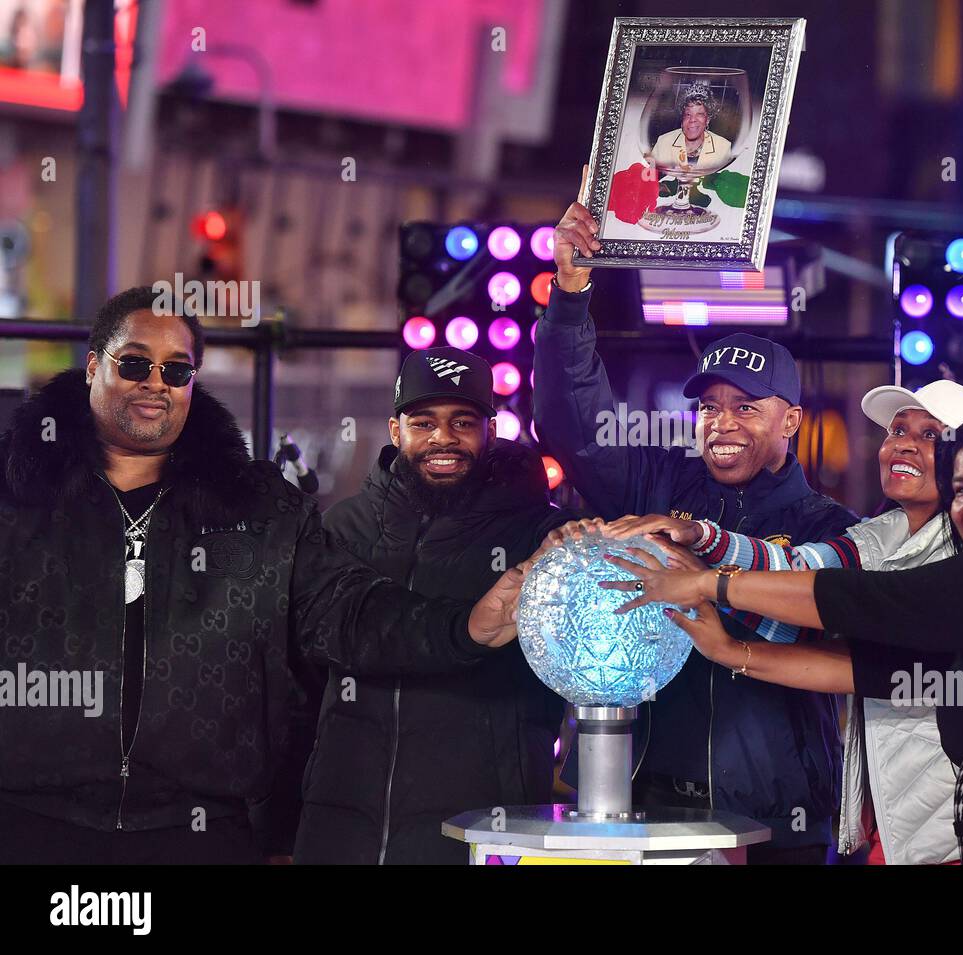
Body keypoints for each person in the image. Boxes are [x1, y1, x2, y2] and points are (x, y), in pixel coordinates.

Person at [0, 287, 525, 865]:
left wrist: (467, 627)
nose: (156, 383)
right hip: (32, 825)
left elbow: (351, 613)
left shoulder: (257, 509)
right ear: (94, 365)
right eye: (135, 363)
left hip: (201, 832)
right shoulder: (16, 498)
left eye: (177, 370)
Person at [602, 409, 963, 864]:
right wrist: (732, 651)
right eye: (962, 489)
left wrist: (710, 582)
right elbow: (873, 671)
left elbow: (861, 599)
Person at [534, 192, 859, 864]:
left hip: (780, 819)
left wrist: (707, 566)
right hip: (653, 807)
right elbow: (572, 422)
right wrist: (569, 294)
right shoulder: (654, 485)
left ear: (790, 422)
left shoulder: (831, 527)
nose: (723, 421)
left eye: (746, 406)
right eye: (710, 406)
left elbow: (810, 605)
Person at [602, 380, 963, 865]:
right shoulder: (877, 536)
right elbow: (799, 570)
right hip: (890, 820)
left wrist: (707, 584)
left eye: (931, 435)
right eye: (897, 429)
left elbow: (863, 661)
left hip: (962, 818)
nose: (903, 443)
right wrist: (704, 541)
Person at [294, 348, 579, 865]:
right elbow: (303, 672)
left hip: (481, 821)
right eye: (423, 422)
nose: (442, 439)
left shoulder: (539, 535)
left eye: (462, 422)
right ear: (395, 430)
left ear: (491, 430)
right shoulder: (342, 526)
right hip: (342, 818)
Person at [649, 91, 733, 175]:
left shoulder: (723, 147)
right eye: (688, 114)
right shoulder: (663, 142)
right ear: (682, 119)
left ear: (707, 120)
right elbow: (650, 177)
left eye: (699, 114)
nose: (693, 119)